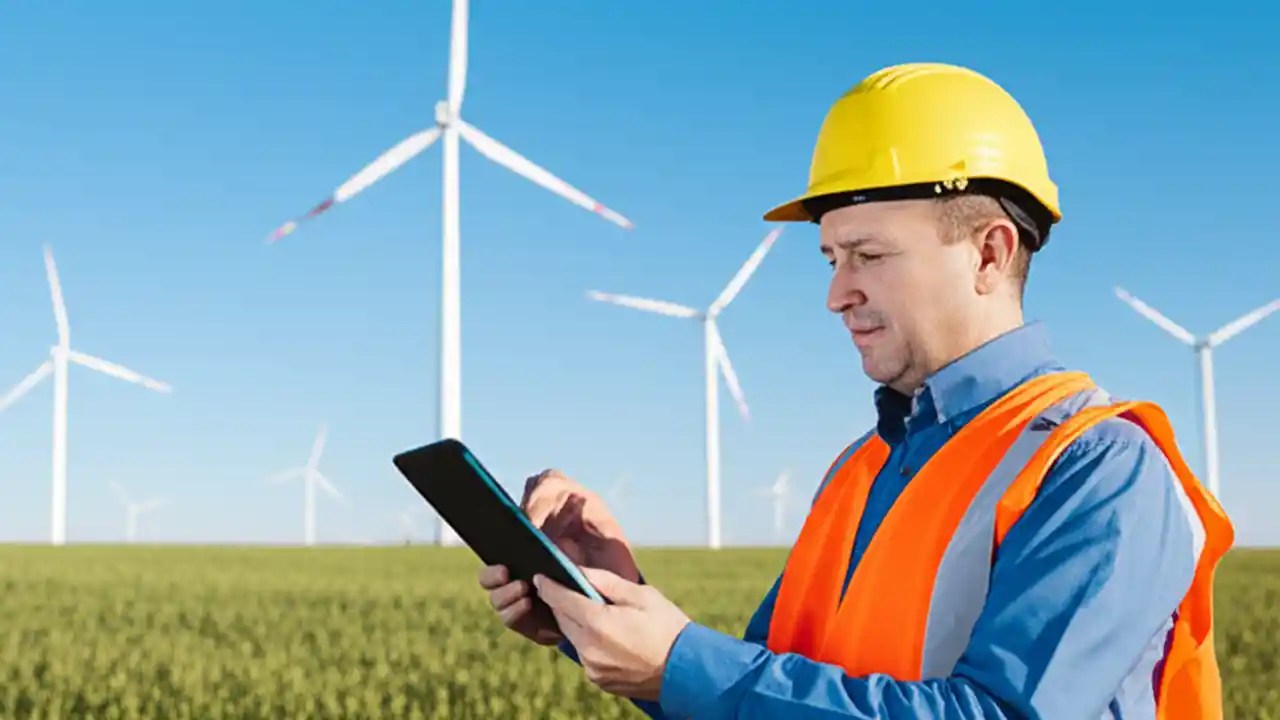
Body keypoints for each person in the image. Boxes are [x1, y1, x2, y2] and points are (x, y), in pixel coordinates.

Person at [477, 62, 1234, 719]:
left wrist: (678, 664)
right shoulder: (860, 469)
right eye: (831, 258)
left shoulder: (1097, 470)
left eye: (868, 255)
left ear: (990, 254)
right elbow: (766, 700)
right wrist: (608, 601)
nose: (837, 294)